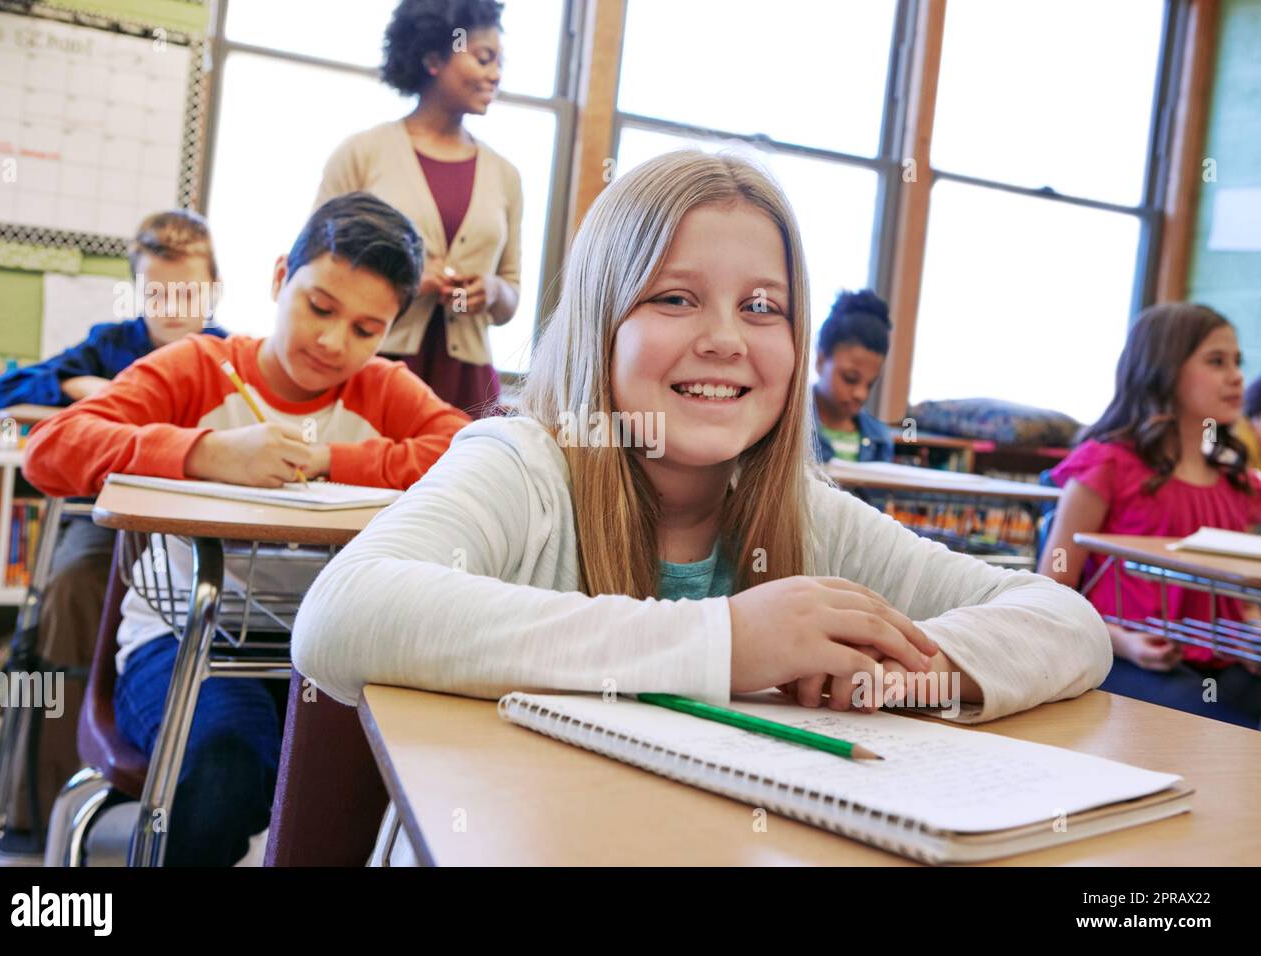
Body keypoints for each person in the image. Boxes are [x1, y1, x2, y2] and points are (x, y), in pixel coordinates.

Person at [292, 151, 1110, 732]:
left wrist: (911, 670)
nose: (727, 340)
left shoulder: (807, 518)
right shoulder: (521, 467)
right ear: (598, 327)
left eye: (763, 308)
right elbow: (342, 615)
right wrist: (729, 641)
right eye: (676, 298)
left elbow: (1064, 621)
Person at [22, 192, 471, 865]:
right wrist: (202, 453)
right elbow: (52, 449)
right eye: (319, 307)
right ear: (279, 275)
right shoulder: (199, 367)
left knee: (390, 772)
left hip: (319, 648)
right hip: (182, 642)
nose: (331, 342)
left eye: (365, 328)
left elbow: (468, 453)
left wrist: (327, 459)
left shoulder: (382, 389)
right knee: (229, 763)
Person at [0, 209, 226, 861]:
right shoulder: (112, 344)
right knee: (70, 589)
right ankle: (36, 809)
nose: (172, 307)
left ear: (215, 291)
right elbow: (6, 391)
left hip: (196, 533)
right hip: (106, 527)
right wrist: (85, 384)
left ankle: (200, 798)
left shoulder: (229, 357)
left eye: (189, 292)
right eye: (156, 292)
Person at [1041, 303, 1261, 728]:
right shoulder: (1105, 467)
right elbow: (1050, 590)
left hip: (1220, 665)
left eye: (1237, 362)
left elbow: (1240, 599)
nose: (1236, 376)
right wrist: (1123, 642)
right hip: (1120, 656)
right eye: (1216, 362)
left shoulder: (1241, 486)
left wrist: (1250, 634)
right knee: (1205, 723)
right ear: (1163, 371)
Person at [315, 0, 521, 417]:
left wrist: (493, 290)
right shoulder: (362, 153)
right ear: (433, 59)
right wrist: (403, 280)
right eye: (484, 59)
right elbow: (316, 262)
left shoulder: (505, 175)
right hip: (375, 365)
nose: (495, 74)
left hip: (468, 384)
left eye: (501, 62)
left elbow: (510, 293)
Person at [812, 289, 894, 462]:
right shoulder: (788, 427)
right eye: (850, 378)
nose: (861, 394)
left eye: (870, 384)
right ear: (820, 361)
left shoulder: (880, 438)